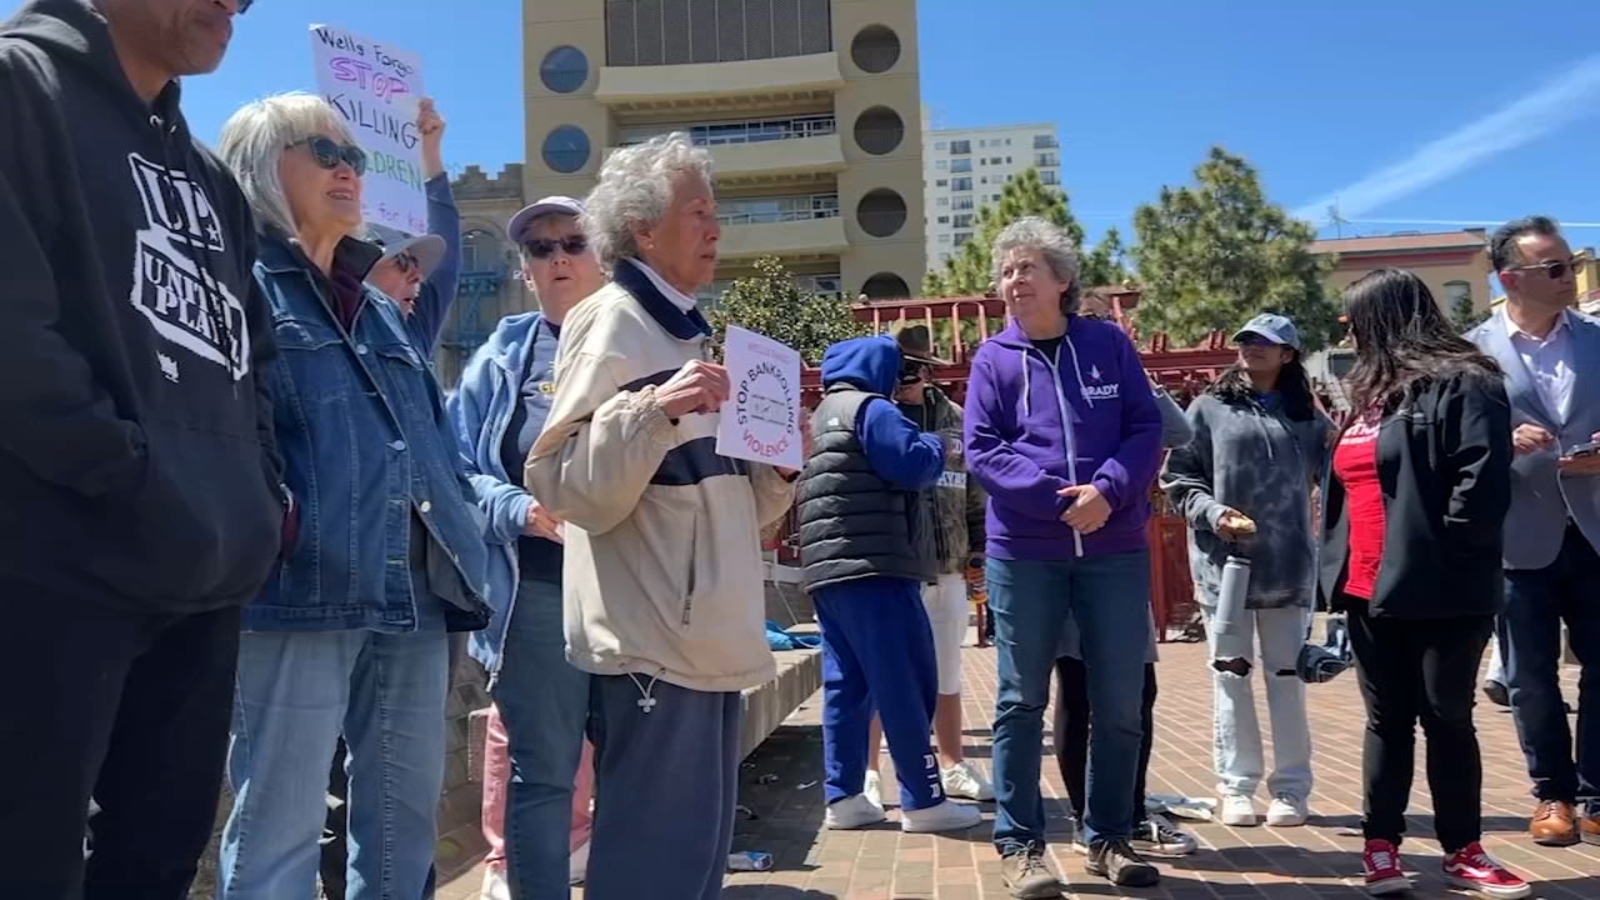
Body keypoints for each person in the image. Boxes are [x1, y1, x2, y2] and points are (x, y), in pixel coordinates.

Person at [0, 1, 286, 896]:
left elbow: (254, 357)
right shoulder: (18, 90)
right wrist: (134, 479)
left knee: (158, 866)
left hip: (205, 576)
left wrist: (254, 492)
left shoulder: (209, 178)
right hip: (50, 571)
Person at [215, 92, 490, 900]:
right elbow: (221, 436)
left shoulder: (379, 306)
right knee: (278, 826)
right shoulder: (237, 285)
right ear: (261, 166)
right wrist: (282, 528)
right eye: (324, 152)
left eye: (356, 157)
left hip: (417, 594)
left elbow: (428, 440)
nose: (348, 170)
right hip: (299, 590)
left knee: (405, 832)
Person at [524, 133, 798, 900]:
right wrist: (652, 410)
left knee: (690, 864)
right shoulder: (611, 319)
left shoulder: (687, 330)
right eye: (698, 212)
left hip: (703, 635)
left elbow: (729, 507)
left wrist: (778, 470)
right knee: (655, 865)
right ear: (644, 229)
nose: (716, 227)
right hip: (656, 641)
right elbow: (562, 483)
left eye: (715, 212)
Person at [965, 216, 1164, 895]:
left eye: (1026, 268)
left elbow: (1145, 426)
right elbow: (982, 449)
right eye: (1006, 271)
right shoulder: (993, 359)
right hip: (1025, 553)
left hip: (1114, 547)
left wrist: (1108, 490)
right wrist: (1057, 501)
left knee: (1120, 701)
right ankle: (1020, 845)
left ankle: (1108, 837)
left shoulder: (1108, 345)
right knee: (1021, 701)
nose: (1013, 281)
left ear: (1062, 279)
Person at [1321, 268, 1529, 898]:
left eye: (1354, 320)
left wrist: (1448, 555)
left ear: (1384, 319)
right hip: (1367, 588)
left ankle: (1463, 850)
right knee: (1386, 721)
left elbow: (1480, 480)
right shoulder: (1371, 395)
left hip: (1443, 586)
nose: (1348, 333)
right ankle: (1380, 846)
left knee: (1446, 718)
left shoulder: (1467, 381)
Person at [318, 94, 459, 900]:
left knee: (400, 794)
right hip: (328, 588)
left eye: (416, 267)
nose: (416, 279)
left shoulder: (408, 333)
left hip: (411, 593)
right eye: (400, 261)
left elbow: (447, 261)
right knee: (319, 789)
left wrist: (430, 160)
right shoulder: (310, 323)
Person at [447, 195, 606, 900]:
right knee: (544, 769)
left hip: (638, 588)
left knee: (642, 764)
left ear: (604, 256)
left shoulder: (644, 340)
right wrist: (520, 509)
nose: (558, 258)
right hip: (538, 588)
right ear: (525, 269)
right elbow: (455, 465)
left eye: (573, 242)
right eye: (541, 249)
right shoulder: (501, 357)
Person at [797, 334, 985, 835]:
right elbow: (913, 466)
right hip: (878, 567)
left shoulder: (819, 415)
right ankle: (923, 801)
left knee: (846, 687)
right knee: (905, 683)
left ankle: (844, 797)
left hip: (827, 573)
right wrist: (938, 443)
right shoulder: (874, 410)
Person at [1160, 313, 1330, 828]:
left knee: (1287, 678)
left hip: (1288, 568)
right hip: (1225, 569)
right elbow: (1178, 478)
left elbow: (1337, 483)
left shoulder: (1311, 419)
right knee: (1230, 677)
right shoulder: (1209, 408)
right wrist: (1213, 514)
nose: (1252, 347)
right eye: (1246, 340)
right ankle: (1236, 786)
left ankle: (1292, 790)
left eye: (1265, 342)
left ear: (1288, 355)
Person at [1466, 215, 1600, 847]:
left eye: (1570, 264)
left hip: (1594, 527)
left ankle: (1596, 795)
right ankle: (1553, 794)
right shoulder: (1471, 354)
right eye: (1553, 268)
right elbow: (1452, 442)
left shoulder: (1596, 340)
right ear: (1509, 278)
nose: (1568, 276)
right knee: (1529, 676)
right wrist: (1502, 439)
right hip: (1518, 534)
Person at [1055, 377, 1197, 859]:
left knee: (1138, 691)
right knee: (1078, 687)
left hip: (1122, 552)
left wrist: (1139, 378)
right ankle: (1085, 818)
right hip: (1066, 550)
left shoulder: (1120, 385)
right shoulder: (1049, 384)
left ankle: (1130, 814)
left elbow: (1178, 432)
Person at [856, 325, 993, 809]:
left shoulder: (954, 418)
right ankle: (869, 772)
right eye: (901, 367)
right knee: (878, 675)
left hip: (949, 566)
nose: (909, 377)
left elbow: (974, 492)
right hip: (894, 568)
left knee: (947, 671)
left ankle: (952, 763)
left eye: (918, 368)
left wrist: (978, 550)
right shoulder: (873, 415)